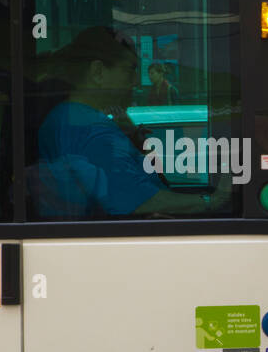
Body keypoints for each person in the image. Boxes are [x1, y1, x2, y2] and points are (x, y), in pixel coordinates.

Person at [33, 27, 230, 218]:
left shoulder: (63, 117)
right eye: (130, 70)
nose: (135, 82)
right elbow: (141, 202)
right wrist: (212, 201)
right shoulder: (95, 133)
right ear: (98, 72)